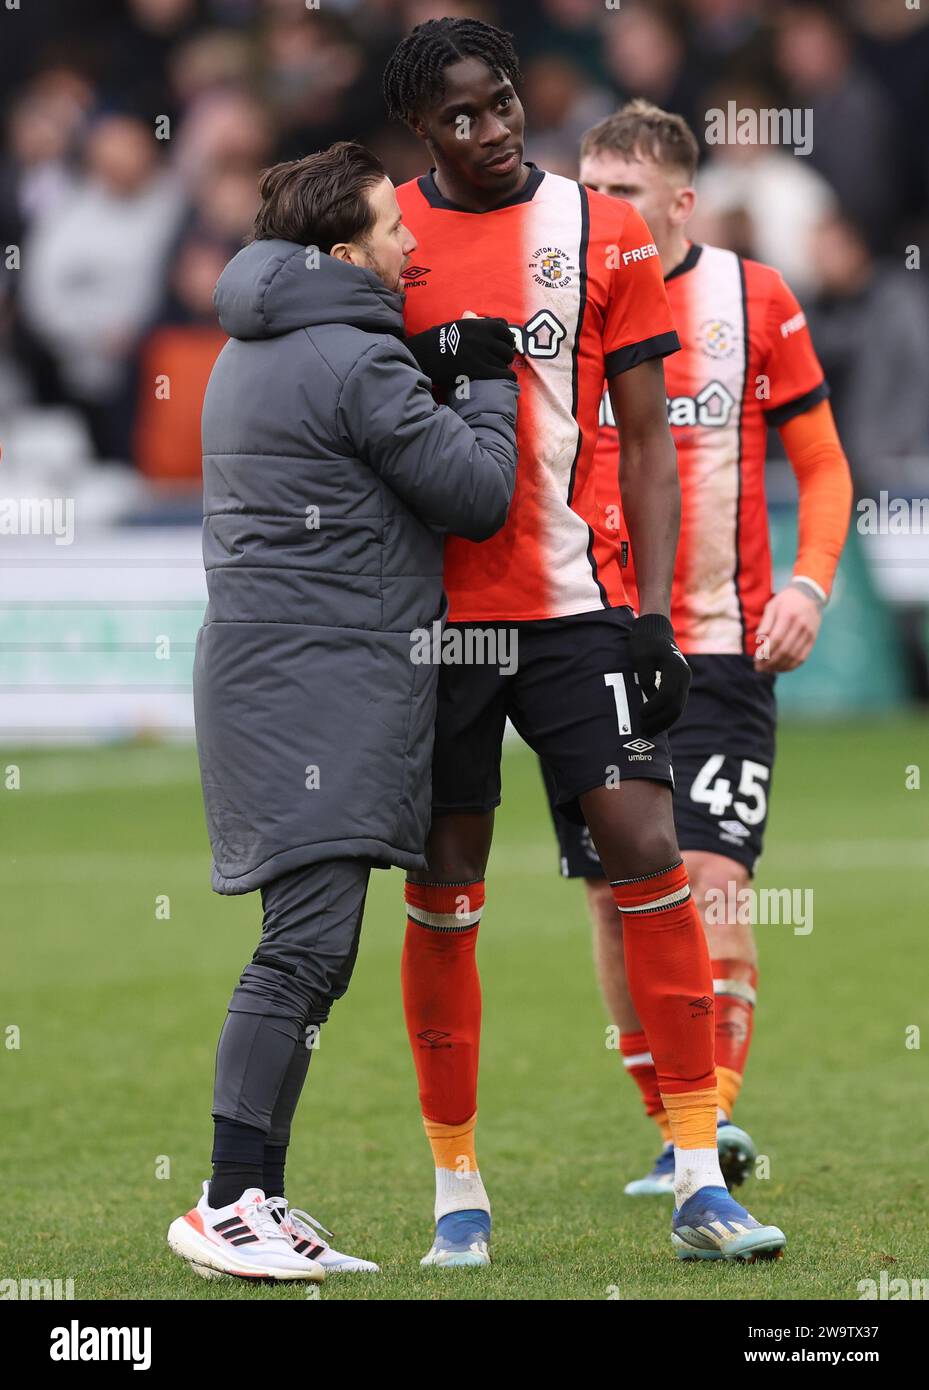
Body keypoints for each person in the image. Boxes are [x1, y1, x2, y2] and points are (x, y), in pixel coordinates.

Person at [384, 17, 785, 1266]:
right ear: (421, 131)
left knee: (642, 849)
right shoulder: (381, 239)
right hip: (439, 626)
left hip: (571, 609)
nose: (492, 131)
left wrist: (656, 612)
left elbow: (648, 434)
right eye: (460, 116)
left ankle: (692, 1176)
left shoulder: (600, 230)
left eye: (501, 103)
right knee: (446, 892)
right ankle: (456, 1187)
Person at [167, 139, 520, 1282]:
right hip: (310, 687)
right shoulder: (349, 358)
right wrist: (486, 383)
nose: (412, 241)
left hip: (279, 674)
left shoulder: (254, 344)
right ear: (341, 252)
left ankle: (258, 1194)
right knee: (301, 954)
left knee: (306, 952)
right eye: (392, 226)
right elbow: (474, 493)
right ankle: (226, 1202)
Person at [544, 100, 852, 1196]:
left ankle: (707, 1127)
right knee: (611, 894)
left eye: (621, 193)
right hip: (589, 646)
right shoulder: (561, 299)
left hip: (718, 648)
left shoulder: (753, 298)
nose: (599, 210)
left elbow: (820, 463)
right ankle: (668, 1125)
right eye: (588, 188)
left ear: (679, 201)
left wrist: (809, 584)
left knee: (711, 878)